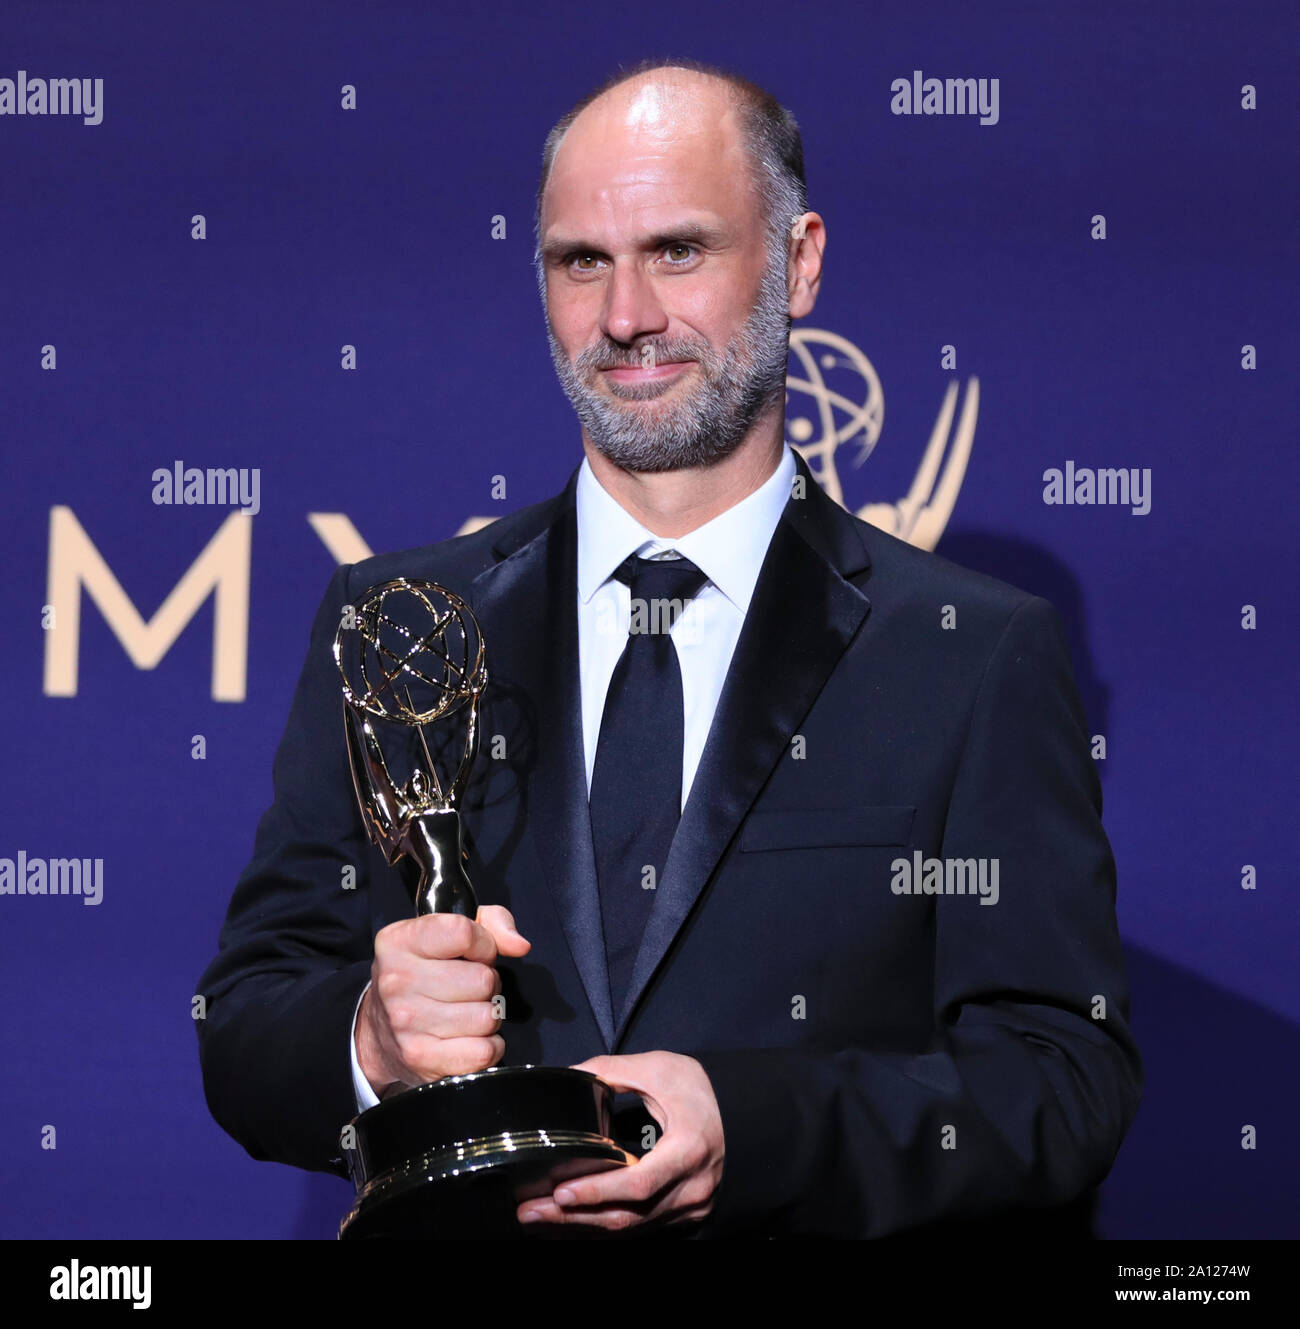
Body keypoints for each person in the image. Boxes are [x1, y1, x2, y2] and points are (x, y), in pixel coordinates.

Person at [195, 58, 1143, 1239]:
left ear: (797, 261)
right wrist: (368, 1043)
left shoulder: (969, 652)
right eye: (580, 262)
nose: (626, 316)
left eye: (678, 251)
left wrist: (750, 1122)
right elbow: (243, 1021)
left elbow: (1060, 1079)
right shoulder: (395, 625)